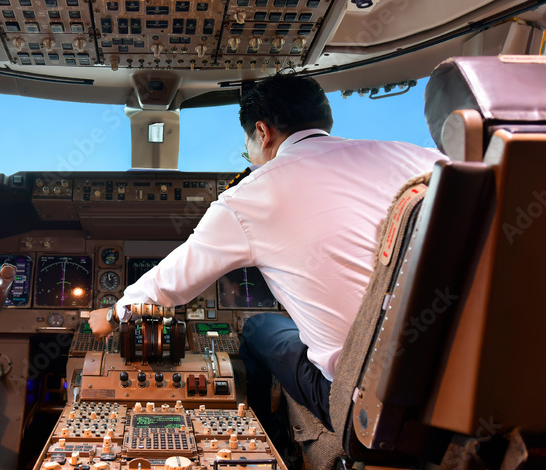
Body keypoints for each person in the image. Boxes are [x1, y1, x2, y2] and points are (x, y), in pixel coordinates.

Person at [89, 72, 444, 436]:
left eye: (248, 146)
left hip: (365, 403)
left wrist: (113, 313)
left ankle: (263, 432)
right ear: (325, 120)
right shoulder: (424, 161)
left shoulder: (251, 195)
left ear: (262, 132)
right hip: (455, 379)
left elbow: (173, 281)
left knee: (259, 325)